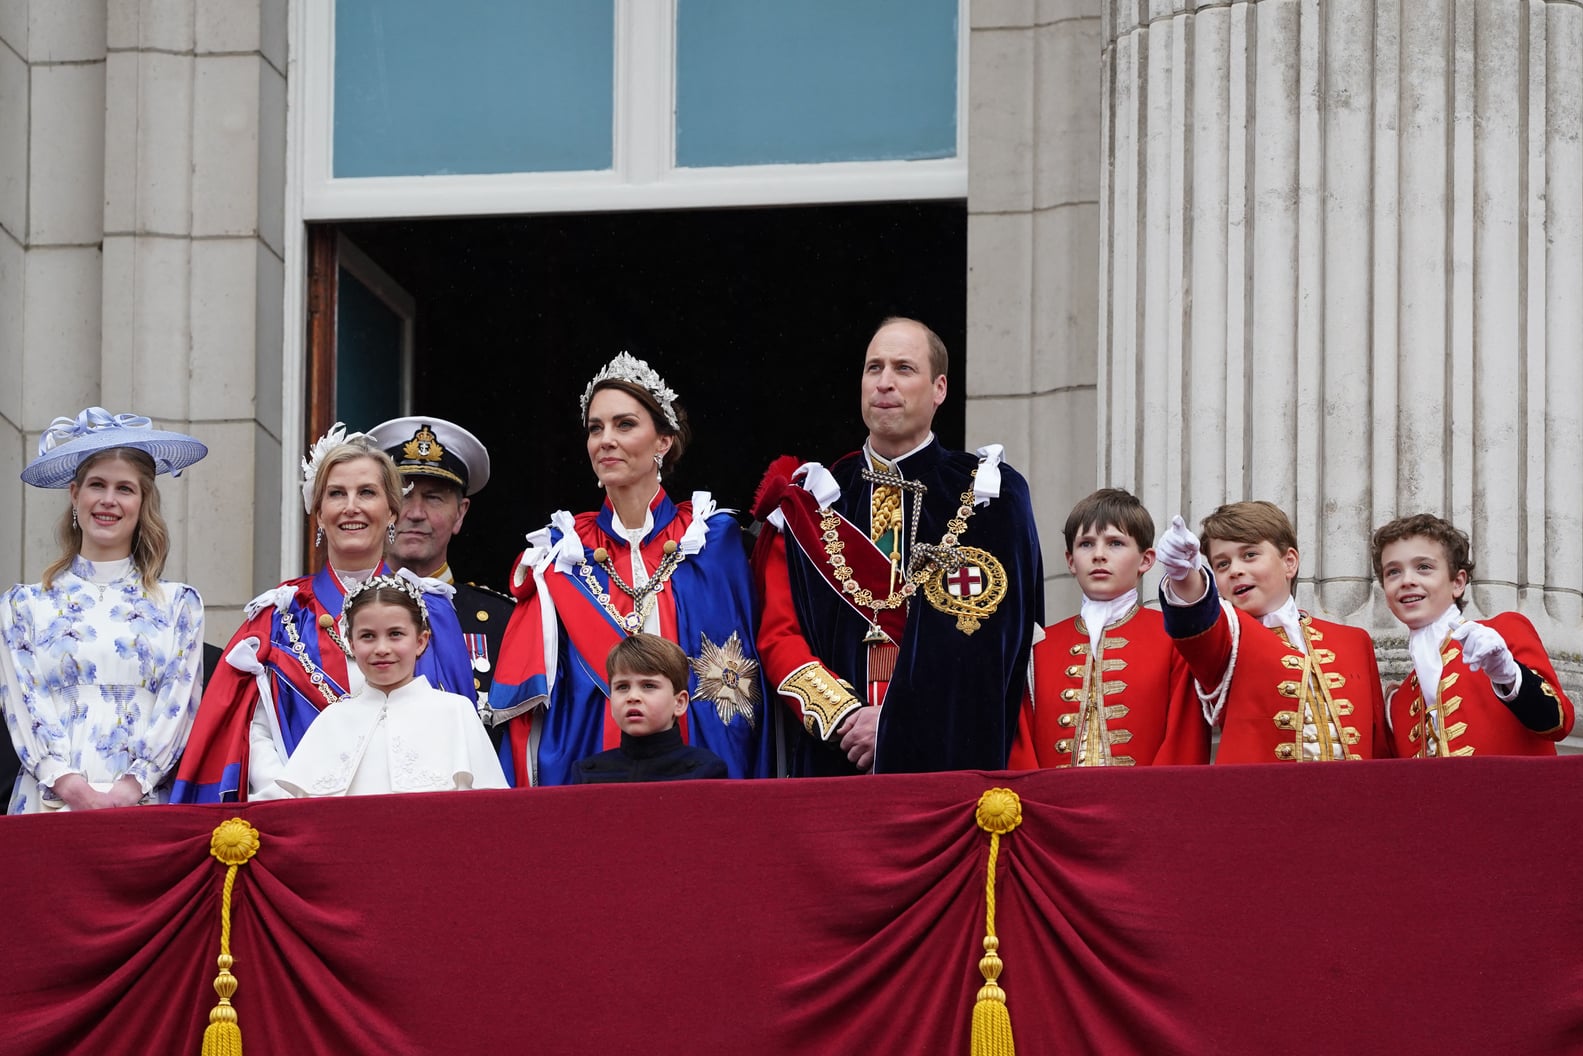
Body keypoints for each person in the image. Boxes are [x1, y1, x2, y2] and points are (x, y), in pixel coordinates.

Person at [752, 317, 1044, 775]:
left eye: (904, 368)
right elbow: (778, 636)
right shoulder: (811, 502)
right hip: (836, 760)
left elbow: (991, 645)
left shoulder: (991, 496)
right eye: (874, 368)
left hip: (950, 761)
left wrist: (894, 725)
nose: (885, 383)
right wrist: (845, 718)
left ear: (939, 388)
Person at [491, 353, 771, 786]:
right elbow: (538, 694)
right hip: (593, 759)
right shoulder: (564, 551)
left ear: (663, 441)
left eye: (624, 425)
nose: (605, 440)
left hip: (702, 763)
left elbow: (746, 669)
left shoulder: (712, 541)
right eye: (595, 428)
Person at [171, 425, 475, 802]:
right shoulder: (278, 618)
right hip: (304, 821)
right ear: (318, 513)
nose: (351, 507)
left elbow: (462, 740)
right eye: (336, 494)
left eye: (367, 492)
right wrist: (289, 798)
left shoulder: (432, 611)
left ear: (392, 511)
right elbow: (254, 731)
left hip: (415, 820)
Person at [0, 408, 207, 812]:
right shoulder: (24, 605)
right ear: (75, 494)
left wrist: (131, 788)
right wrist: (72, 788)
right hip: (49, 804)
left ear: (143, 502)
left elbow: (179, 705)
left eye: (125, 488)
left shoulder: (180, 605)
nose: (109, 500)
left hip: (143, 805)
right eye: (97, 485)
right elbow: (24, 705)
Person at [1155, 501, 1388, 762]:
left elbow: (1379, 748)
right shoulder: (1227, 640)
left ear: (1289, 562)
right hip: (1261, 800)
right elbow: (1197, 621)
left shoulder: (1354, 641)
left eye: (1250, 555)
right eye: (1222, 564)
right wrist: (1184, 577)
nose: (1235, 570)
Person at [1008, 489, 1207, 768]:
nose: (1099, 555)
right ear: (1070, 560)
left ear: (1146, 560)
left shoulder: (1172, 638)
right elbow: (1021, 750)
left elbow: (1183, 740)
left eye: (1115, 543)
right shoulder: (1038, 645)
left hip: (1141, 807)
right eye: (1086, 544)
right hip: (1053, 808)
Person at [258, 574, 507, 797]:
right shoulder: (331, 720)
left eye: (396, 634)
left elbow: (490, 813)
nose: (382, 649)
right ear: (352, 645)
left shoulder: (456, 712)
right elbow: (303, 818)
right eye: (367, 636)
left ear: (421, 641)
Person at [1371, 514, 1574, 756]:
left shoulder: (1504, 630)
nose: (1407, 580)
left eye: (1424, 567)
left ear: (1457, 582)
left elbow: (1558, 723)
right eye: (1393, 572)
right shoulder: (1398, 702)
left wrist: (1509, 676)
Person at [365, 417, 514, 715]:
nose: (416, 513)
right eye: (404, 495)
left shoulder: (504, 621)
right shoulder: (344, 609)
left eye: (434, 498)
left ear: (460, 514)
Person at [570, 634, 728, 784]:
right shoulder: (588, 773)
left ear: (679, 703)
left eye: (648, 686)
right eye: (622, 687)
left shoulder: (704, 770)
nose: (632, 697)